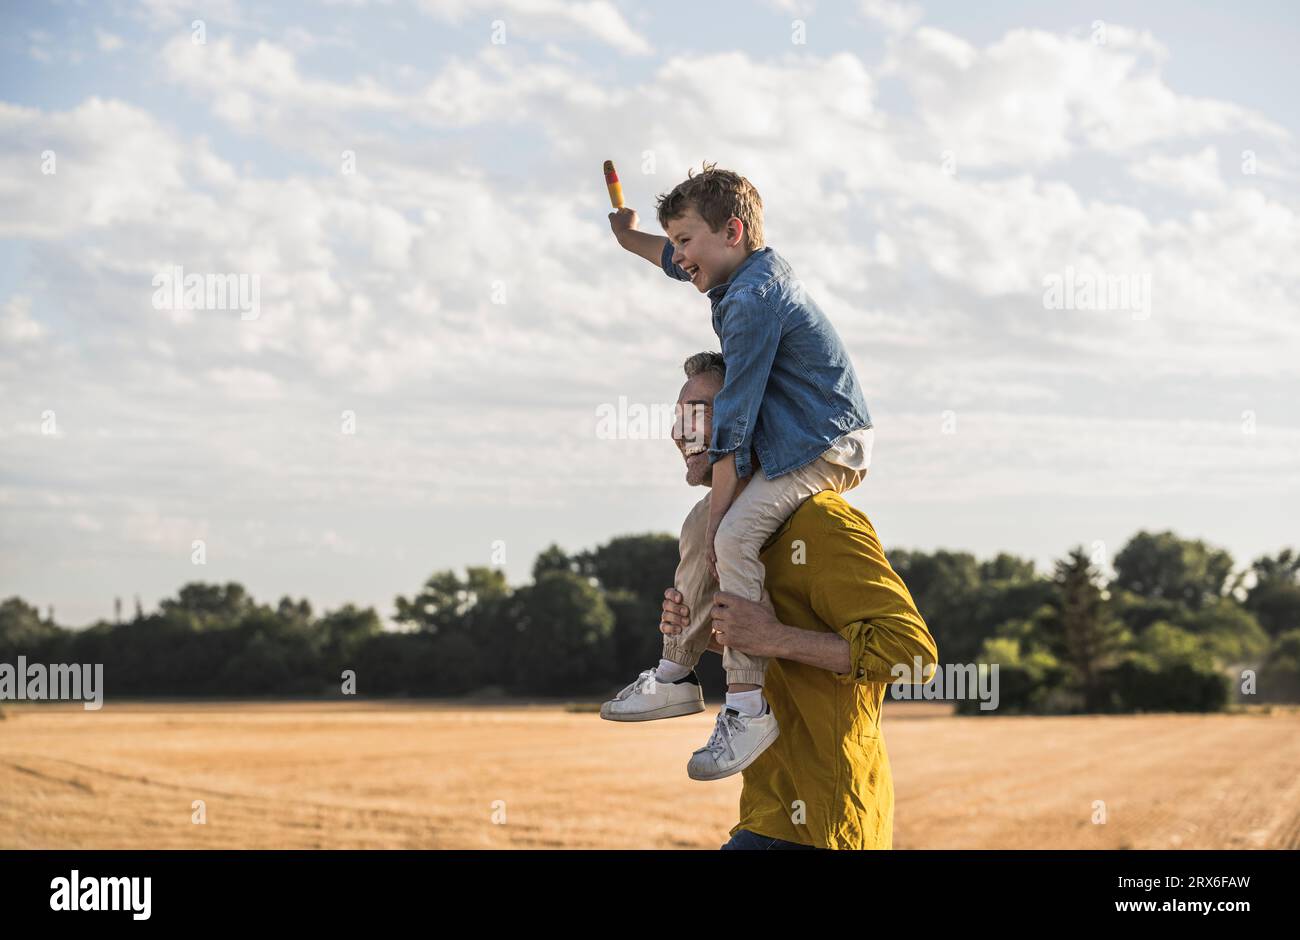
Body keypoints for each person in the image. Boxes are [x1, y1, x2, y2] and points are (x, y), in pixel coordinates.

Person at [602, 163, 874, 781]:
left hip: (827, 441)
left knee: (727, 532)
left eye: (685, 242)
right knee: (700, 527)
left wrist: (726, 513)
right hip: (793, 438)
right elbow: (674, 259)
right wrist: (629, 238)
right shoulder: (732, 270)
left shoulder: (752, 302)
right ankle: (674, 673)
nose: (677, 258)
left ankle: (747, 706)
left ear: (732, 232)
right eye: (673, 244)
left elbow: (735, 423)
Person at [617, 352, 939, 848]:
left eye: (696, 412)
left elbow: (914, 658)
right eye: (677, 417)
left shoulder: (824, 523)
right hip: (766, 813)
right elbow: (773, 652)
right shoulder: (726, 536)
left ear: (749, 419)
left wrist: (773, 636)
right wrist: (706, 635)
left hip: (826, 825)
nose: (678, 432)